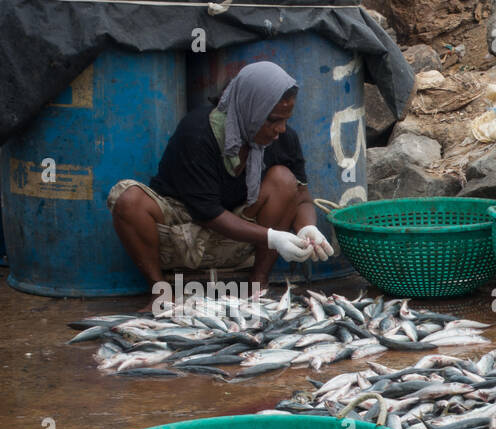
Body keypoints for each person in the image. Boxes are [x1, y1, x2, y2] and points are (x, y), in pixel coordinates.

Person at [108, 60, 333, 290]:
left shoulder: (283, 140)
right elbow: (207, 213)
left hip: (239, 240)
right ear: (250, 108)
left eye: (286, 120)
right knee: (129, 200)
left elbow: (302, 196)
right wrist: (272, 238)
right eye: (274, 120)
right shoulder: (197, 133)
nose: (281, 129)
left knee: (285, 181)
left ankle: (258, 285)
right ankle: (160, 292)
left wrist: (307, 228)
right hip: (183, 233)